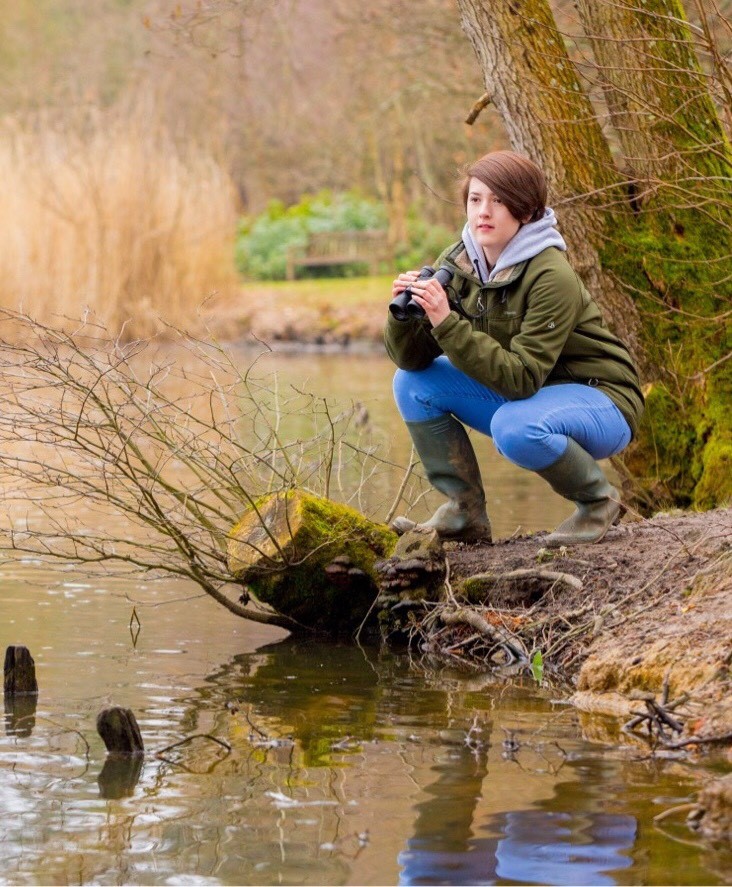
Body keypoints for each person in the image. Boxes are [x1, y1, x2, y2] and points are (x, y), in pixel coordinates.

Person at [384, 150, 644, 547]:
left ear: (525, 210)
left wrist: (447, 322)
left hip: (601, 400)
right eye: (475, 199)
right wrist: (406, 315)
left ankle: (598, 503)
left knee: (516, 426)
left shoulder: (550, 274)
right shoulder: (457, 263)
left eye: (499, 201)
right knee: (411, 383)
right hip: (533, 398)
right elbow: (411, 359)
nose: (483, 211)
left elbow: (520, 380)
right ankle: (464, 512)